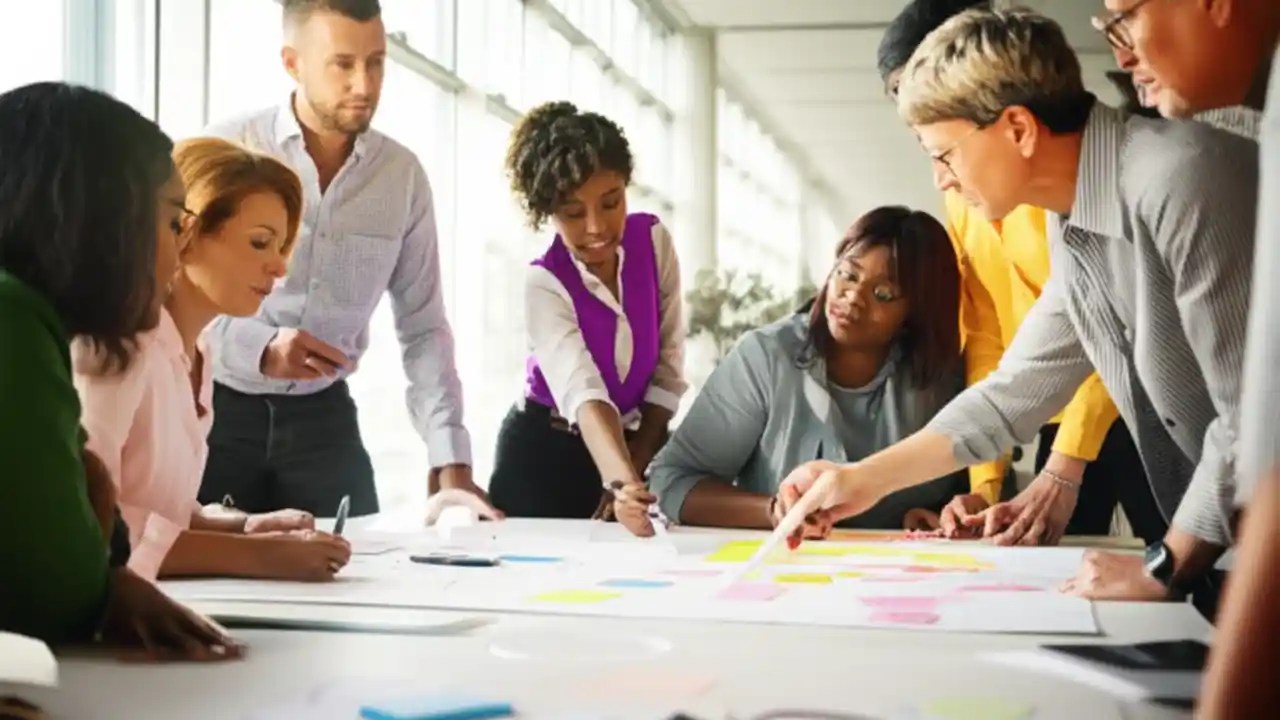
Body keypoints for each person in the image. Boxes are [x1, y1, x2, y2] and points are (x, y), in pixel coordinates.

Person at [772, 9, 1257, 613]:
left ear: (1019, 129)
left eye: (945, 154)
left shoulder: (1178, 179)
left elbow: (1256, 417)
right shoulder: (1075, 220)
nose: (941, 181)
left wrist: (1166, 565)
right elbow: (1012, 393)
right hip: (1242, 551)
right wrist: (859, 480)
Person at [876, 0, 1164, 545]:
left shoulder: (1100, 184)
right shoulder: (982, 199)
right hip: (1048, 401)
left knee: (1178, 555)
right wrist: (985, 484)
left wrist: (1066, 464)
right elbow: (996, 350)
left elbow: (1116, 331)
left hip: (1128, 404)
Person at [198, 0, 497, 520]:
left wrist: (452, 464)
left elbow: (423, 326)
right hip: (216, 410)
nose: (364, 84)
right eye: (343, 64)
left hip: (324, 419)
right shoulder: (228, 147)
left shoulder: (401, 177)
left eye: (376, 62)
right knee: (205, 584)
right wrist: (262, 348)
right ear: (293, 63)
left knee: (357, 574)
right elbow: (172, 284)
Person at [1082, 1, 1280, 713]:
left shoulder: (1183, 168)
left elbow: (1262, 423)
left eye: (1123, 15)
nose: (1120, 50)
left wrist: (1168, 566)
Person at [0, 81, 240, 660]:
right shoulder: (10, 317)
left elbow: (95, 550)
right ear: (103, 214)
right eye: (173, 220)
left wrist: (106, 572)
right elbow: (55, 592)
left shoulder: (32, 322)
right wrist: (101, 581)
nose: (175, 252)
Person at [74, 137, 353, 583]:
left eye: (282, 248)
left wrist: (245, 527)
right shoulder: (116, 350)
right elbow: (87, 521)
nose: (280, 268)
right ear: (186, 231)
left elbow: (159, 506)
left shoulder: (200, 354)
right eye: (261, 243)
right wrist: (262, 558)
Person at [649, 207, 966, 533]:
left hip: (898, 574)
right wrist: (775, 513)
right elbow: (669, 481)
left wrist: (943, 512)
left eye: (882, 294)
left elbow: (965, 489)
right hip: (785, 567)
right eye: (848, 274)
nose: (853, 297)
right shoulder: (766, 357)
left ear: (916, 313)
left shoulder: (941, 380)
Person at [487, 101, 687, 536]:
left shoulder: (652, 242)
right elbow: (585, 394)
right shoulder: (544, 282)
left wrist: (630, 478)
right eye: (574, 213)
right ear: (548, 213)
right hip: (545, 460)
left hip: (637, 445)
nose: (596, 227)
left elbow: (668, 371)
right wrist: (621, 481)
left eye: (611, 202)